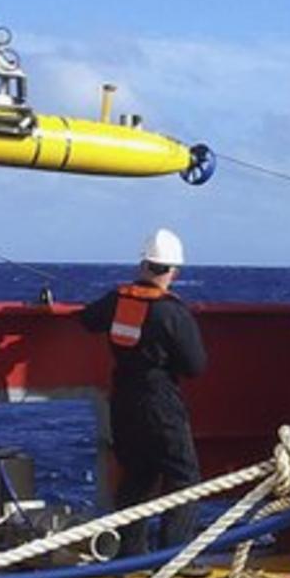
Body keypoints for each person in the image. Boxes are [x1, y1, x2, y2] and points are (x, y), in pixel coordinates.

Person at [79, 228, 208, 560]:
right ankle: (172, 556)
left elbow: (88, 320)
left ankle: (131, 555)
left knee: (137, 475)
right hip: (159, 401)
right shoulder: (172, 313)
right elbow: (195, 365)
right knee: (184, 477)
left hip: (123, 399)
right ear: (173, 271)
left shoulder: (116, 300)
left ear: (143, 264)